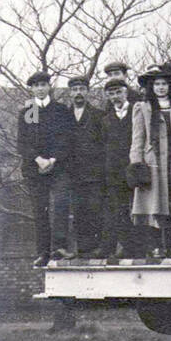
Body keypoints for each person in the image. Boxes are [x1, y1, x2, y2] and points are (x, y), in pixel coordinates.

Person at [129, 65, 171, 256]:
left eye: (164, 84)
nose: (161, 88)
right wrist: (137, 163)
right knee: (156, 206)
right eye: (157, 84)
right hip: (154, 162)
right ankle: (158, 248)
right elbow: (138, 137)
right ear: (151, 87)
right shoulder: (143, 107)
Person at [17, 70, 73, 266]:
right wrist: (38, 159)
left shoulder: (60, 110)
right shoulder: (29, 111)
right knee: (40, 210)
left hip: (58, 168)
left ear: (50, 87)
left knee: (60, 205)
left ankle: (59, 247)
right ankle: (43, 252)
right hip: (35, 169)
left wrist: (53, 159)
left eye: (43, 85)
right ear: (31, 89)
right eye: (36, 86)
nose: (40, 89)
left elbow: (66, 139)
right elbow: (24, 142)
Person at [65, 76, 105, 256]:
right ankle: (82, 248)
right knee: (78, 212)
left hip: (94, 173)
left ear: (87, 92)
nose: (78, 93)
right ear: (70, 93)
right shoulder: (63, 116)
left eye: (82, 89)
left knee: (95, 210)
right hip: (73, 174)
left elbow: (104, 143)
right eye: (74, 90)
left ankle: (96, 248)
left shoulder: (98, 115)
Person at [100, 77, 140, 258]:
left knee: (139, 207)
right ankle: (128, 247)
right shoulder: (106, 119)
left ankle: (144, 246)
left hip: (135, 168)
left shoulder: (137, 112)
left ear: (126, 92)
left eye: (119, 92)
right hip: (114, 171)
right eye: (111, 93)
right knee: (119, 209)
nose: (116, 96)